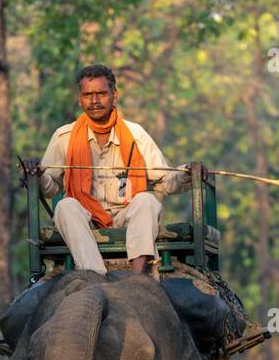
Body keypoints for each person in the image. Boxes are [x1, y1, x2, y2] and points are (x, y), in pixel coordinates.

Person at [24, 63, 189, 275]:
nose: (94, 101)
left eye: (101, 93)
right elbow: (50, 188)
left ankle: (138, 276)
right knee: (65, 206)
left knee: (146, 200)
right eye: (88, 94)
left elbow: (165, 180)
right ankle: (95, 275)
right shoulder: (64, 137)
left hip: (125, 216)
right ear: (80, 98)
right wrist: (36, 173)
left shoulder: (135, 135)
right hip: (86, 220)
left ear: (114, 95)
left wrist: (187, 172)